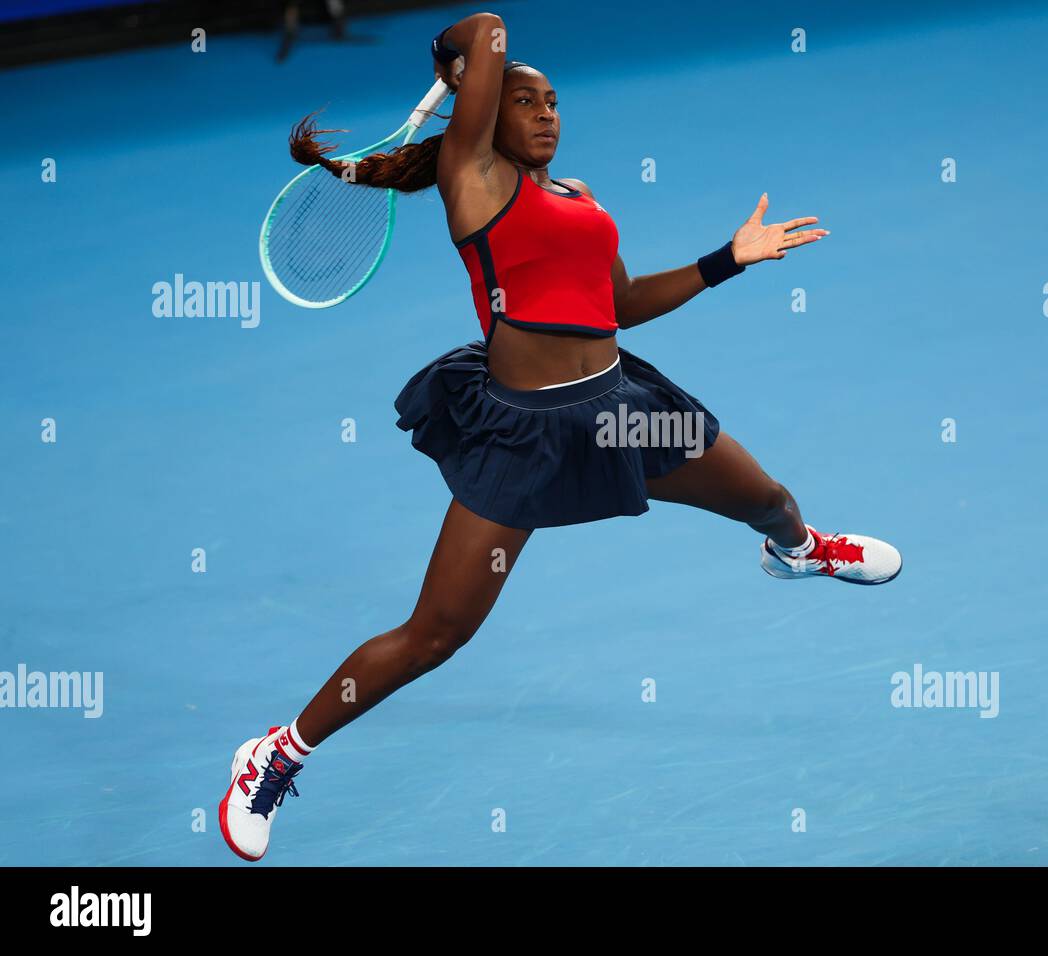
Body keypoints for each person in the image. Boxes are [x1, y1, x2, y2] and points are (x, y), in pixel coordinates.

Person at [220, 11, 902, 862]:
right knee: (437, 634)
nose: (546, 113)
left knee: (768, 499)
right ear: (481, 115)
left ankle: (797, 552)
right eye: (524, 101)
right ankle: (275, 754)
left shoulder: (578, 198)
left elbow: (617, 306)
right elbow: (487, 25)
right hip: (523, 435)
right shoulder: (471, 179)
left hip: (621, 402)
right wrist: (455, 53)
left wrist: (729, 258)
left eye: (553, 102)